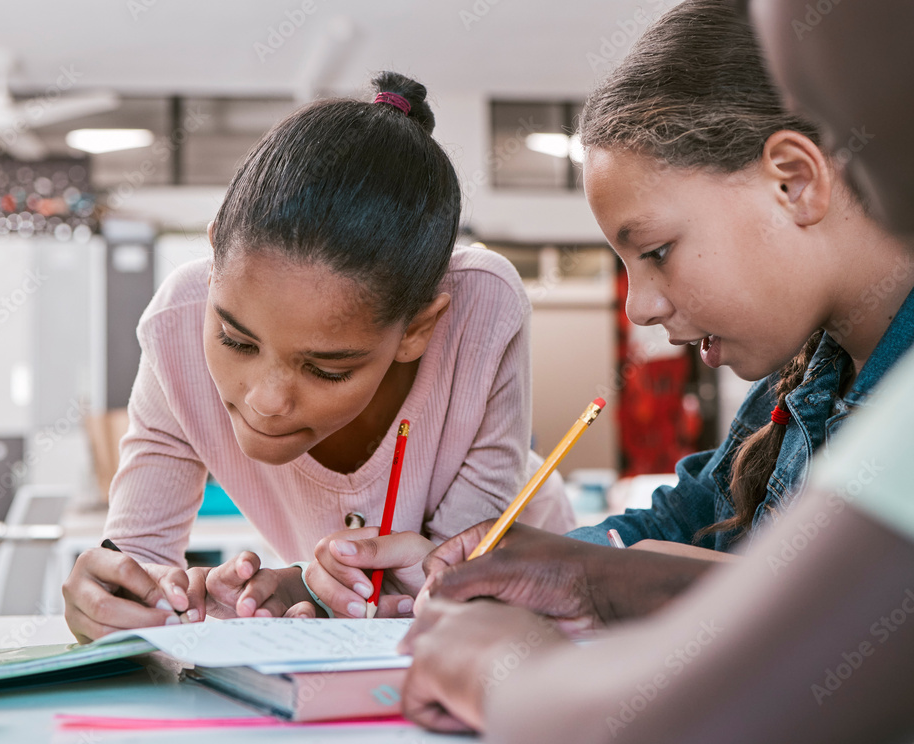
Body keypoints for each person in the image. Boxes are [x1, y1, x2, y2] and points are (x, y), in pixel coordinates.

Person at [400, 0, 914, 740]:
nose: (638, 308)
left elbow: (738, 699)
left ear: (795, 181)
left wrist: (506, 667)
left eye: (657, 252)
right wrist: (560, 565)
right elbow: (680, 523)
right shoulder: (795, 390)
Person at [62, 71, 572, 642]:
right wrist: (118, 597)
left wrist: (305, 588)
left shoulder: (483, 307)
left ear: (417, 329)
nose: (266, 401)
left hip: (538, 604)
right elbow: (138, 558)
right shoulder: (177, 325)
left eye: (328, 369)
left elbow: (450, 575)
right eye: (236, 341)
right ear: (213, 258)